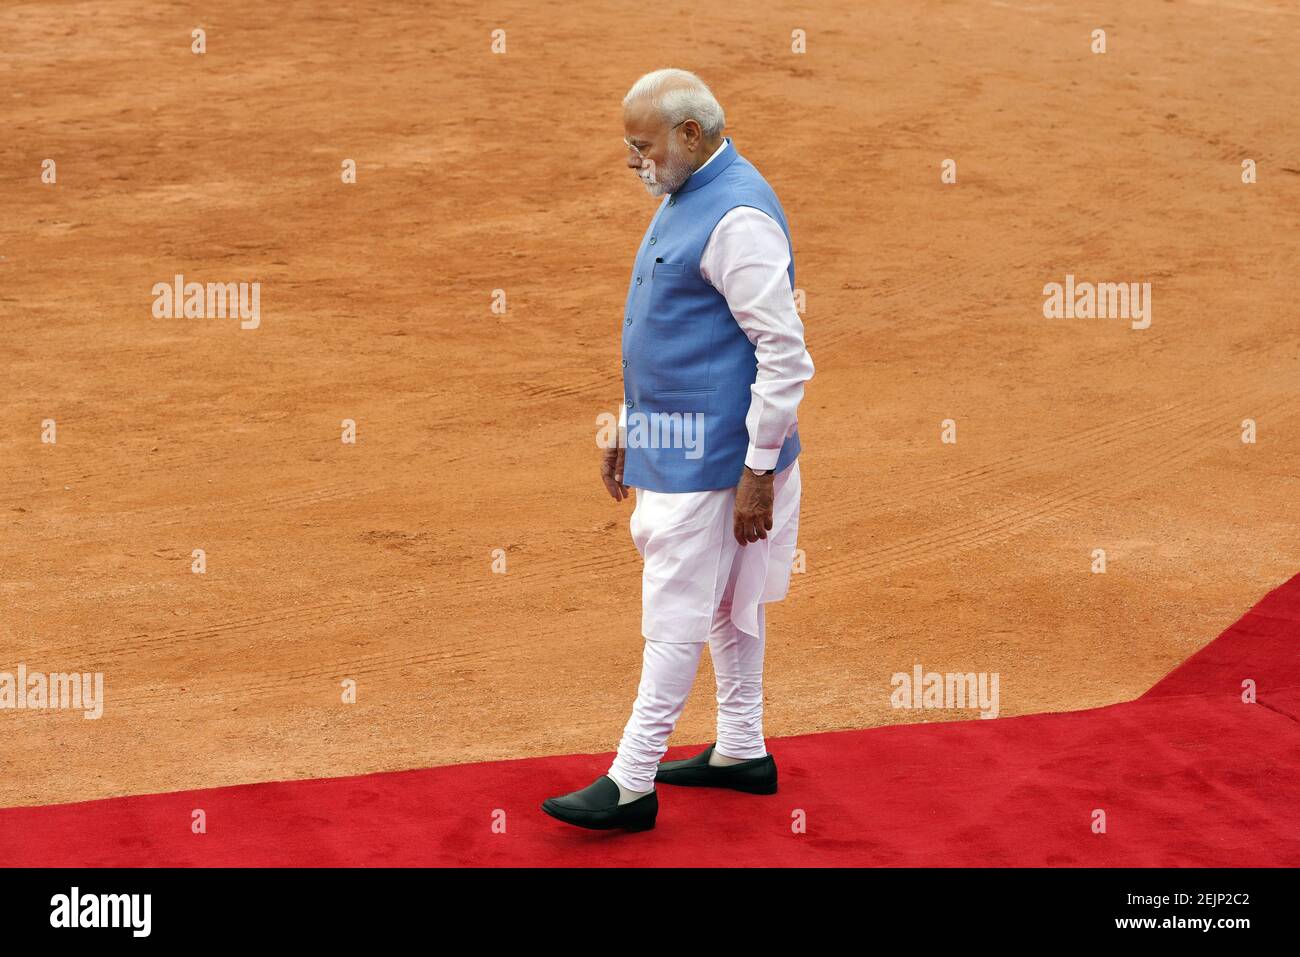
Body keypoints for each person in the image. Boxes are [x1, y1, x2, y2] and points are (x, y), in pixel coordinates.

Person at [541, 68, 814, 832]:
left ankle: (631, 781)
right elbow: (677, 334)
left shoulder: (737, 219)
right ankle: (742, 747)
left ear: (690, 134)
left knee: (677, 607)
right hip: (680, 437)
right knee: (727, 602)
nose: (633, 160)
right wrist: (632, 423)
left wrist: (758, 468)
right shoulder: (690, 190)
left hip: (718, 457)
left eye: (643, 145)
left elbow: (785, 354)